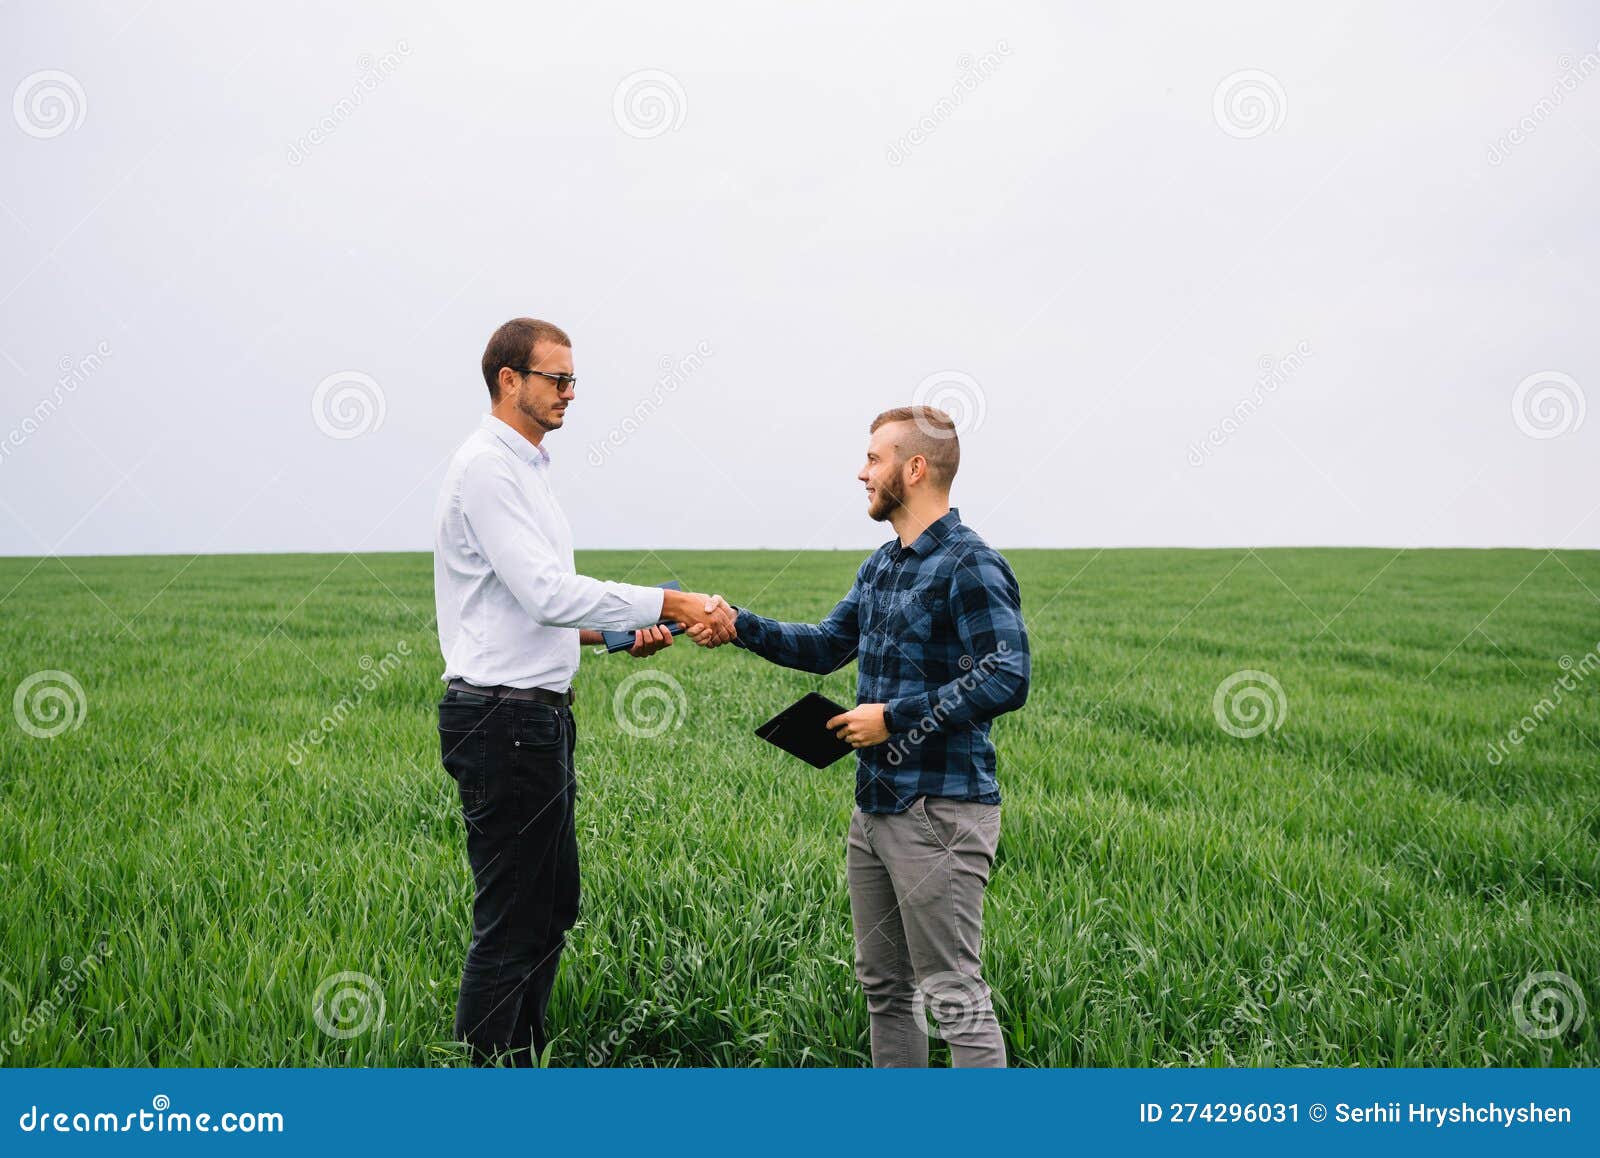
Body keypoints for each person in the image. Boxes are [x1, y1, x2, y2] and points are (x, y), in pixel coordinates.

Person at [433, 317, 734, 1066]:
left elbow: (528, 611)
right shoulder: (486, 469)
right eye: (556, 379)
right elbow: (544, 593)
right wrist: (671, 603)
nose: (570, 393)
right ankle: (491, 1082)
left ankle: (518, 1064)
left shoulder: (527, 469)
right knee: (514, 920)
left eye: (574, 381)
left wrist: (622, 634)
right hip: (502, 721)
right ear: (509, 380)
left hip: (533, 719)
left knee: (550, 908)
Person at [691, 405, 1030, 1067]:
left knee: (952, 993)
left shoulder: (971, 565)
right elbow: (824, 646)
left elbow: (1007, 674)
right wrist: (739, 625)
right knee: (885, 988)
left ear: (915, 467)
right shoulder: (883, 566)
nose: (861, 472)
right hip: (874, 807)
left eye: (873, 459)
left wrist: (893, 717)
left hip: (938, 812)